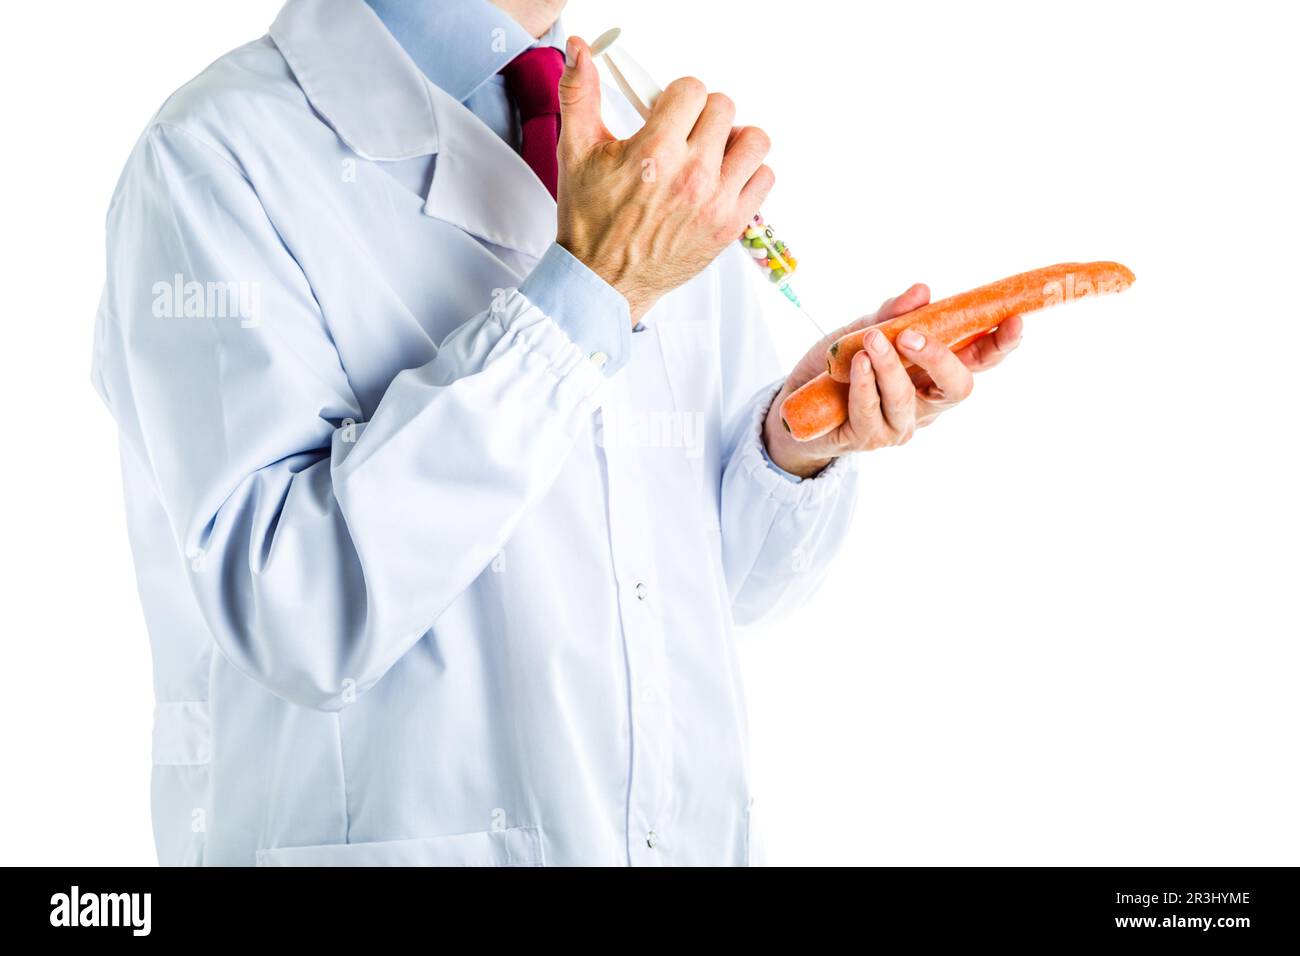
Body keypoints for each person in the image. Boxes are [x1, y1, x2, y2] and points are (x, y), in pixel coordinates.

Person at [92, 0, 1022, 866]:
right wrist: (595, 289)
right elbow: (297, 613)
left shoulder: (643, 124)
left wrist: (797, 441)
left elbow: (723, 587)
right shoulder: (214, 156)